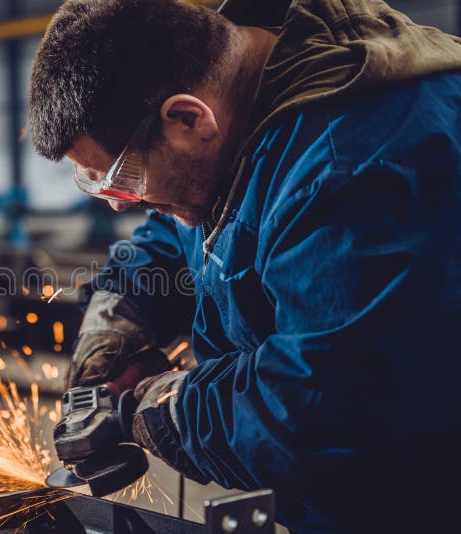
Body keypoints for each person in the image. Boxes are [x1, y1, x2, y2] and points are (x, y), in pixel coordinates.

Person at [27, 0, 461, 532]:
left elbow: (322, 407)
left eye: (122, 178)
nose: (118, 202)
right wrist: (117, 314)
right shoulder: (241, 105)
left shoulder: (351, 164)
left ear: (187, 117)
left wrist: (159, 410)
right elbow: (179, 230)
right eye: (97, 184)